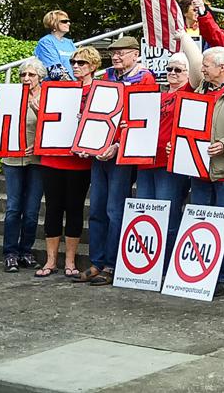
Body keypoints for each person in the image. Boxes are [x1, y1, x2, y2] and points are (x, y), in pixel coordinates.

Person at [82, 36, 156, 286]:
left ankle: (112, 264)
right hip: (100, 153)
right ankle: (96, 261)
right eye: (114, 53)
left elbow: (142, 118)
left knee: (115, 210)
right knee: (96, 208)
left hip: (122, 154)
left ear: (136, 54)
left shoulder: (145, 78)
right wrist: (90, 143)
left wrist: (117, 145)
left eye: (122, 53)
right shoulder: (106, 77)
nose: (116, 56)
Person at [186, 45, 224, 297]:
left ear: (222, 67)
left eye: (206, 65)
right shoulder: (199, 90)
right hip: (200, 169)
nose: (201, 69)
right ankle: (200, 273)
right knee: (199, 223)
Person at [135, 31, 203, 260]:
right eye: (169, 69)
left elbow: (198, 67)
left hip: (170, 164)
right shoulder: (156, 94)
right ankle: (146, 262)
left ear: (187, 74)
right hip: (146, 161)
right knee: (145, 214)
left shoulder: (189, 90)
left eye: (178, 70)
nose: (172, 73)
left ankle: (165, 262)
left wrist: (184, 38)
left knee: (168, 214)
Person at [43, 46, 99, 280]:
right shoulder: (59, 88)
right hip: (53, 158)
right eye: (74, 62)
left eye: (81, 63)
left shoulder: (99, 91)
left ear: (93, 66)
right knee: (53, 209)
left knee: (75, 209)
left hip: (79, 161)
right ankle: (50, 261)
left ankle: (70, 261)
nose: (76, 66)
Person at [0, 59, 46, 273]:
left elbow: (54, 127)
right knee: (13, 208)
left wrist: (37, 145)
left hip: (36, 160)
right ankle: (10, 253)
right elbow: (2, 125)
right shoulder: (9, 96)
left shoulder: (47, 97)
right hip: (12, 160)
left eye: (31, 74)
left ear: (40, 77)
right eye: (23, 74)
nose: (26, 78)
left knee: (31, 210)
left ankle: (25, 251)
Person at [35, 10, 77, 81]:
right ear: (53, 24)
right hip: (56, 85)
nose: (68, 23)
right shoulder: (45, 42)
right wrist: (71, 84)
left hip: (75, 84)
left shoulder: (69, 42)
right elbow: (55, 70)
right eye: (64, 21)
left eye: (68, 21)